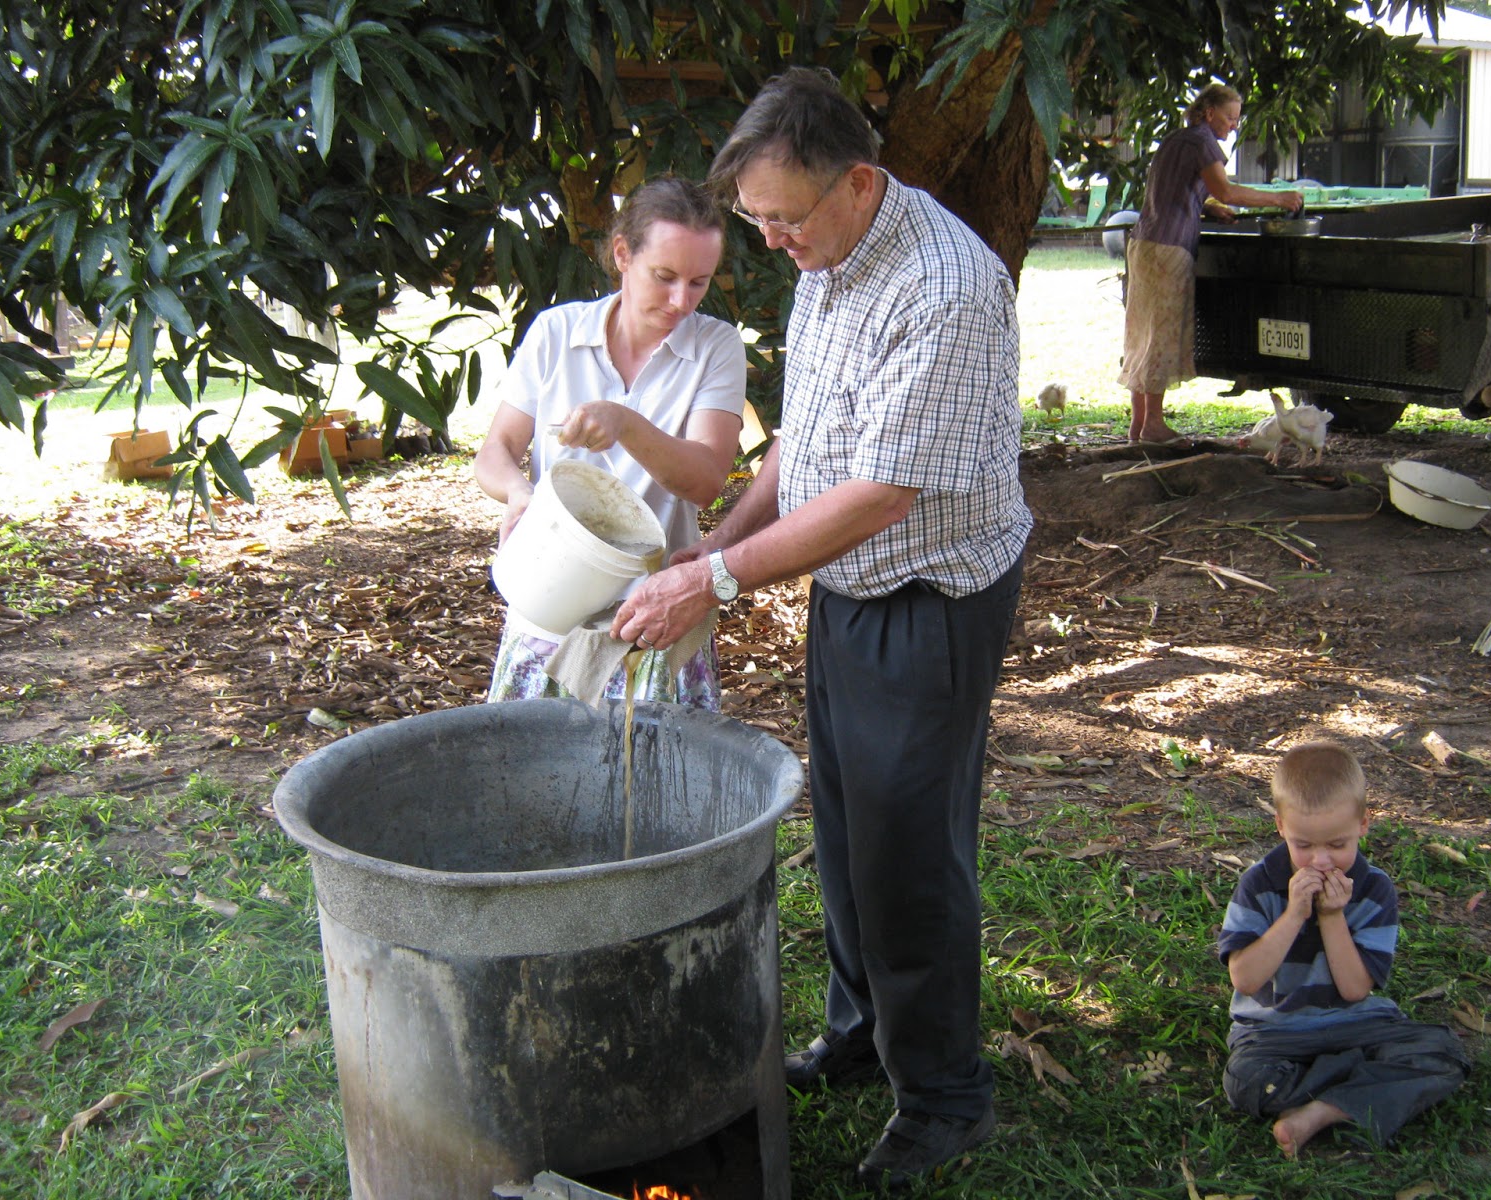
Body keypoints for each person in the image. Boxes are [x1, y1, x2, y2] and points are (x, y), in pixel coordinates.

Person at [609, 67, 1032, 1187]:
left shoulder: (944, 285)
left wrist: (721, 584)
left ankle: (944, 1096)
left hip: (930, 596)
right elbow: (808, 443)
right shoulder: (828, 256)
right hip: (850, 586)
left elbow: (878, 493)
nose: (774, 240)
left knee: (908, 851)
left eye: (784, 218)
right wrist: (721, 540)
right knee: (845, 827)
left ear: (858, 181)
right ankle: (860, 1036)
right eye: (759, 221)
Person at [473, 177, 745, 709]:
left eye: (699, 282)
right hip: (548, 598)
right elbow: (494, 452)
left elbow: (707, 481)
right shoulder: (555, 333)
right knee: (532, 778)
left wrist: (626, 424)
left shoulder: (716, 346)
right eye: (664, 276)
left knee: (657, 784)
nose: (680, 300)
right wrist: (519, 495)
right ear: (622, 254)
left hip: (655, 612)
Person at [1217, 741, 1470, 1157]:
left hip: (1356, 1022)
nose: (1320, 861)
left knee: (1443, 1053)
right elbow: (1245, 978)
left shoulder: (1374, 889)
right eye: (1304, 845)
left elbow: (1355, 990)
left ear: (1364, 824)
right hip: (1273, 1032)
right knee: (1246, 1082)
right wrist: (1294, 915)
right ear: (1280, 826)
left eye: (1337, 845)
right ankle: (1360, 1083)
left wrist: (1332, 917)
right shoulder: (1259, 884)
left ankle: (1319, 1111)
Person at [1120, 82, 1303, 444]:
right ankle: (1154, 426)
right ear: (1209, 113)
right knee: (1162, 336)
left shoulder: (1175, 139)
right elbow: (1228, 190)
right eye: (1231, 117)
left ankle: (1139, 425)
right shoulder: (1204, 143)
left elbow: (1175, 192)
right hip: (1171, 250)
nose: (1234, 125)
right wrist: (1281, 198)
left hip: (1143, 244)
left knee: (1141, 334)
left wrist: (1207, 207)